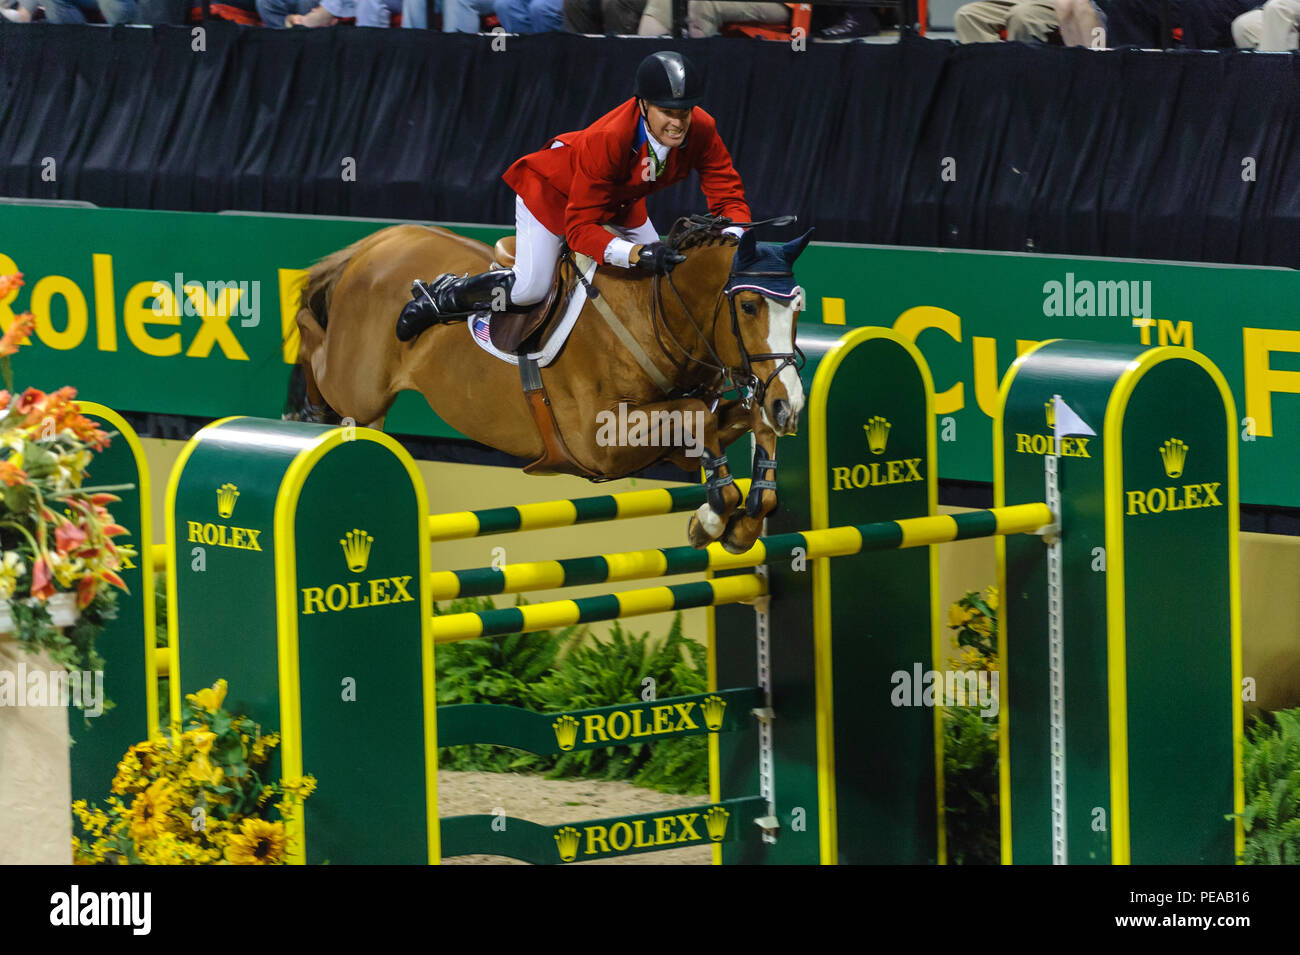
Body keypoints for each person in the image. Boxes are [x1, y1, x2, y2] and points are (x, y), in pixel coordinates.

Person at [396, 50, 752, 341]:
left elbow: (728, 194)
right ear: (643, 104)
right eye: (668, 112)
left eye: (685, 112)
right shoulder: (610, 138)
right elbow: (580, 229)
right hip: (553, 197)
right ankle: (444, 296)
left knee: (665, 279)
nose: (678, 122)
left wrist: (734, 239)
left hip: (620, 204)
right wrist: (636, 252)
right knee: (529, 289)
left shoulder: (701, 127)